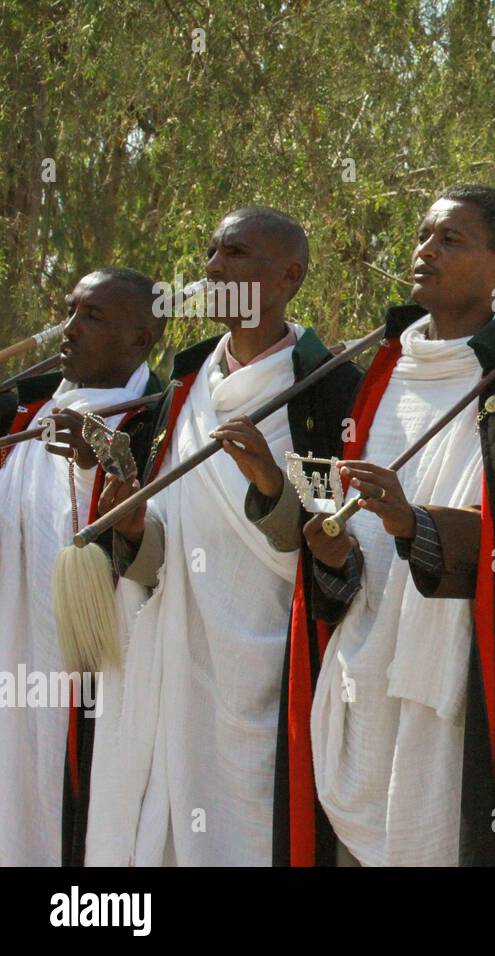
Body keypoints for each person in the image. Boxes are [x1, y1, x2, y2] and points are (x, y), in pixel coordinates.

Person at [294, 184, 495, 866]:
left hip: (461, 697)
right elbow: (354, 547)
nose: (425, 251)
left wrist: (417, 527)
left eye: (450, 239)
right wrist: (332, 552)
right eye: (424, 236)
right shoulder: (383, 372)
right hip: (363, 681)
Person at [84, 207, 361, 866]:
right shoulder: (181, 394)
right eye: (211, 252)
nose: (212, 268)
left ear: (287, 276)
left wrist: (270, 487)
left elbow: (335, 541)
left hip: (278, 668)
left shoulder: (327, 394)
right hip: (181, 666)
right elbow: (162, 557)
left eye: (234, 254)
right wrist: (131, 529)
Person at [0, 268, 164, 866]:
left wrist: (104, 463)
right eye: (71, 311)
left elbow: (164, 548)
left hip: (111, 673)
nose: (68, 330)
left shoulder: (159, 422)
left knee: (92, 824)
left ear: (140, 341)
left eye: (92, 317)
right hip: (19, 663)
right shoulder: (27, 418)